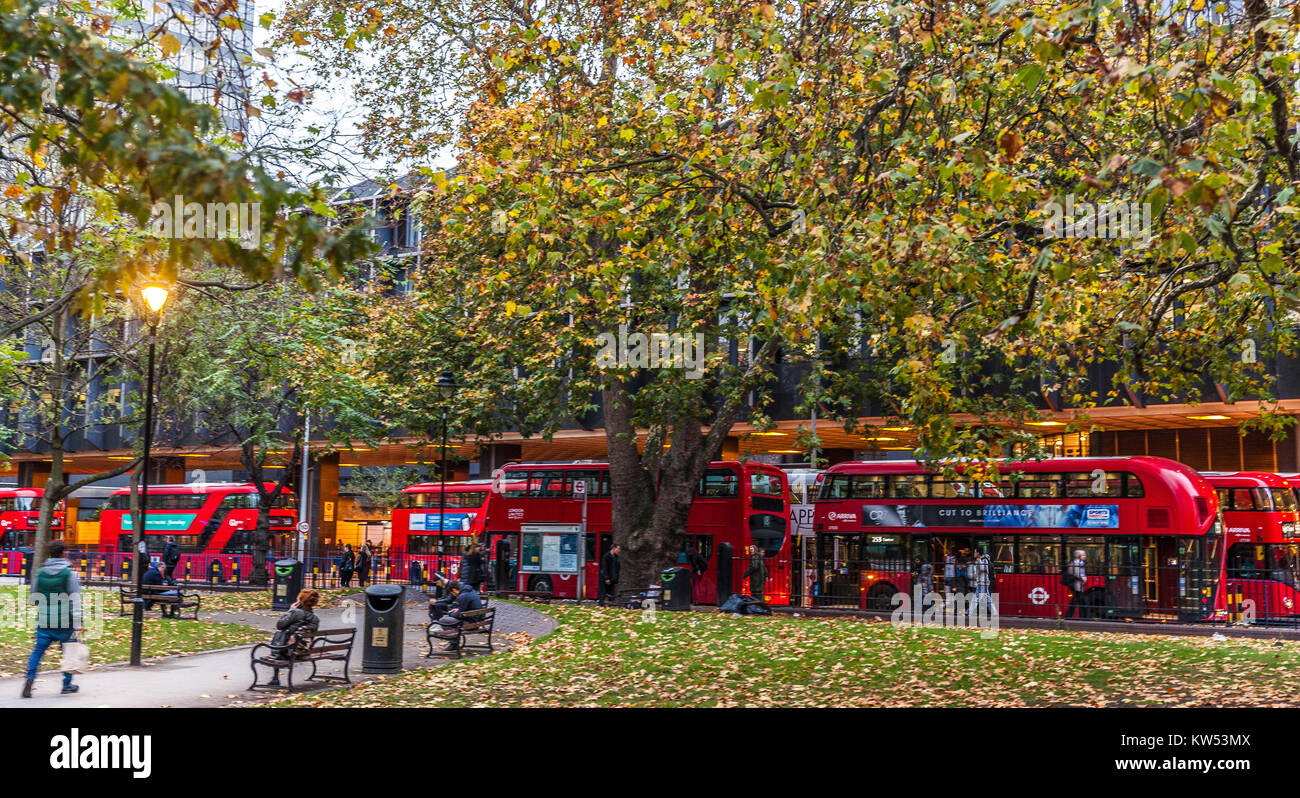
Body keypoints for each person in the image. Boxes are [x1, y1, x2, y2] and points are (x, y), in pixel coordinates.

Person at [22, 540, 83, 698]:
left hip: (44, 620)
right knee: (69, 651)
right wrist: (77, 623)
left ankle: (29, 679)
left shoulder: (40, 573)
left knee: (38, 651)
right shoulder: (69, 573)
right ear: (63, 553)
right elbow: (75, 599)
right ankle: (67, 685)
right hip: (65, 622)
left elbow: (33, 597)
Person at [267, 589, 321, 687]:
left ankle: (275, 678)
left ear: (300, 601)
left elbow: (279, 625)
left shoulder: (296, 613)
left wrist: (290, 610)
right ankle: (275, 678)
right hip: (303, 652)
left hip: (287, 652)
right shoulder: (315, 619)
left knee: (279, 636)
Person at [433, 581, 483, 652]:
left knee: (443, 620)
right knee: (447, 619)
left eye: (453, 593)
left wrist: (450, 613)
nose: (454, 595)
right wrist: (457, 610)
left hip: (470, 624)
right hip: (477, 621)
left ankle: (454, 643)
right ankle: (454, 643)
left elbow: (459, 615)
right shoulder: (471, 591)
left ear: (454, 589)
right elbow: (465, 608)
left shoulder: (462, 596)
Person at [968, 548, 994, 618]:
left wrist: (979, 571)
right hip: (981, 582)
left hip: (983, 582)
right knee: (987, 598)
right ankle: (994, 612)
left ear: (978, 553)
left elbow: (986, 571)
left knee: (977, 597)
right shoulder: (979, 560)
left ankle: (969, 612)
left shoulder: (982, 560)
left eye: (975, 552)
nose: (974, 553)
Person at [1063, 549, 1088, 619]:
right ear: (1079, 556)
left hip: (1079, 584)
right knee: (1081, 601)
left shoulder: (1080, 563)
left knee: (1076, 601)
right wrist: (1082, 578)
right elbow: (1076, 573)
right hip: (1076, 584)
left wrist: (1084, 577)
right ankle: (1084, 617)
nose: (1085, 556)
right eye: (1083, 555)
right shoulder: (1076, 563)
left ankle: (1069, 616)